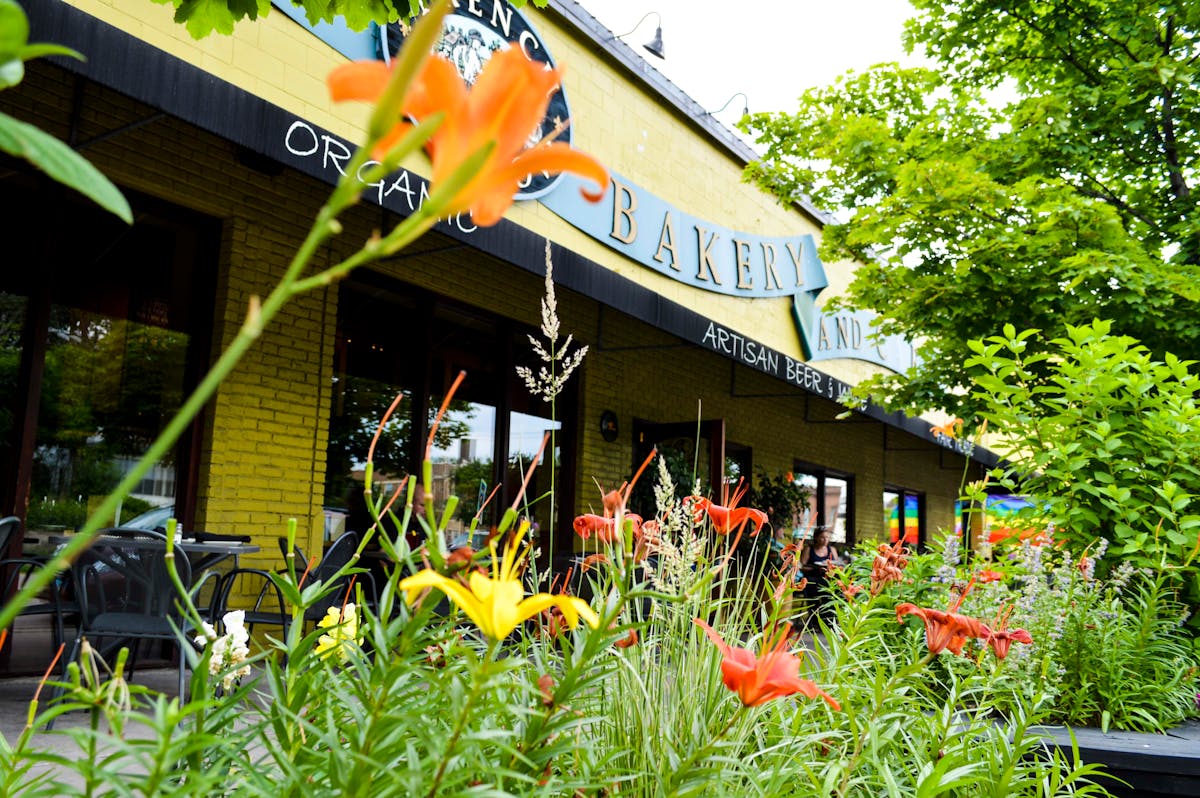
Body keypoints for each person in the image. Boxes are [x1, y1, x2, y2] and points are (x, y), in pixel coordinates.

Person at [800, 528, 841, 625]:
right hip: (813, 578)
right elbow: (802, 566)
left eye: (827, 537)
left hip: (828, 578)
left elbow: (837, 565)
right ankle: (816, 619)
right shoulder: (809, 549)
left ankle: (830, 619)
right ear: (816, 538)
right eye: (822, 537)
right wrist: (816, 568)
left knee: (835, 588)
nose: (825, 540)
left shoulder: (832, 550)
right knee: (822, 587)